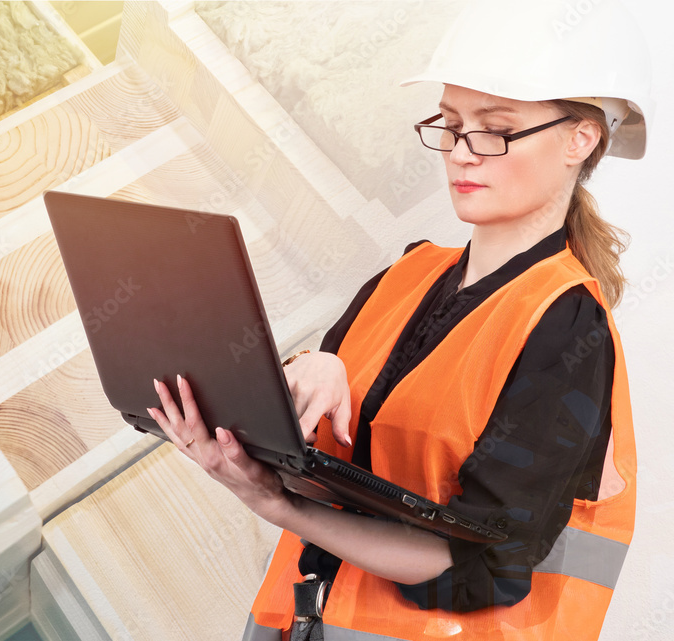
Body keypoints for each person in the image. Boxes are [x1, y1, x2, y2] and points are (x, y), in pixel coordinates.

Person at [146, 1, 654, 639]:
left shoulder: (566, 325)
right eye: (450, 124)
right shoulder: (409, 273)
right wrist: (313, 369)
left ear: (582, 139)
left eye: (495, 129)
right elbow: (320, 450)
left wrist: (275, 504)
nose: (462, 154)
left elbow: (477, 567)